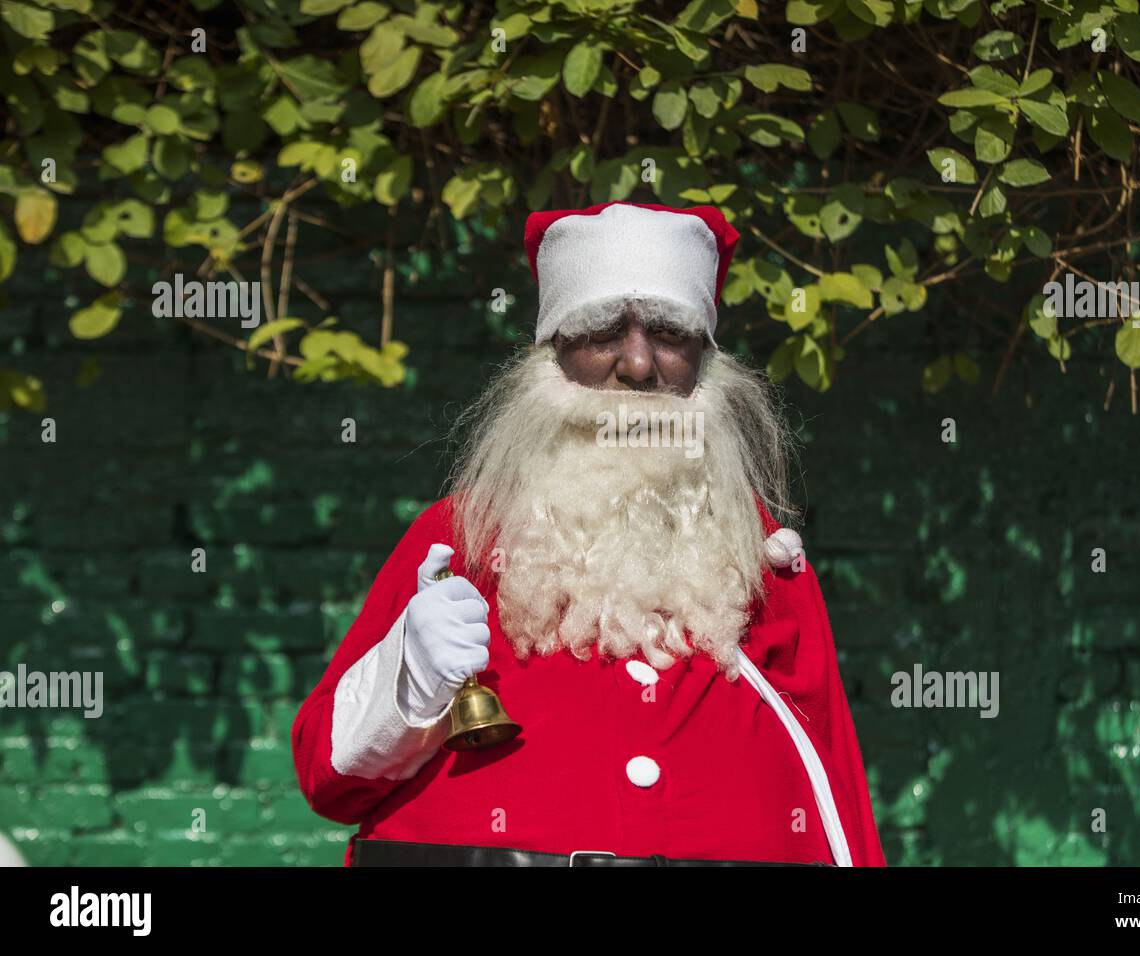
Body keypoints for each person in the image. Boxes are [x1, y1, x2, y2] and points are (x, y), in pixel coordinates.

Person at [291, 201, 887, 866]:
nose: (637, 365)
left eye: (669, 332)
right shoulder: (461, 533)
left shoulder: (761, 552)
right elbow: (327, 776)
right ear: (554, 355)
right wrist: (409, 675)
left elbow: (834, 784)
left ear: (704, 358)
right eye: (602, 330)